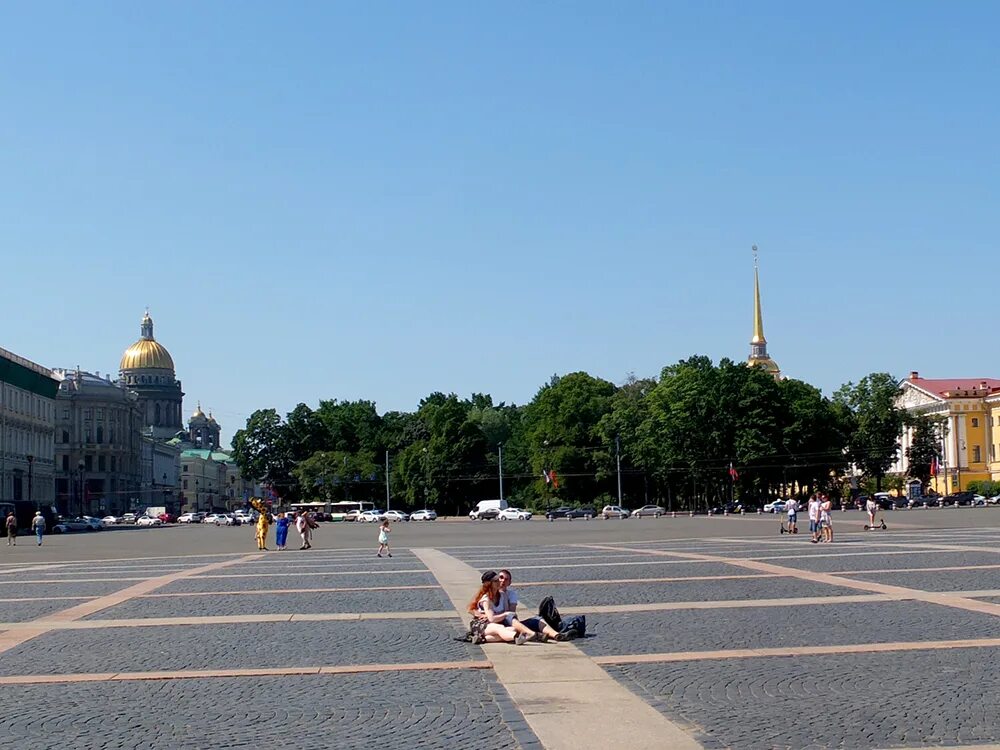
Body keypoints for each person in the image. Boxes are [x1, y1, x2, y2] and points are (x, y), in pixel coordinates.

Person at [497, 569, 560, 642]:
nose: (503, 581)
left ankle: (556, 635)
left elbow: (511, 612)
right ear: (496, 579)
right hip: (499, 626)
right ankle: (534, 635)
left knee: (537, 619)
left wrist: (504, 596)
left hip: (512, 623)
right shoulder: (491, 594)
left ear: (509, 583)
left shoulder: (511, 594)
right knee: (511, 625)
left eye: (506, 579)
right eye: (501, 577)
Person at [468, 570, 529, 644]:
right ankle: (517, 637)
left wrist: (507, 615)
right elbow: (491, 619)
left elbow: (506, 613)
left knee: (512, 629)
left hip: (496, 622)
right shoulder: (486, 599)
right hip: (482, 624)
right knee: (500, 628)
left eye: (498, 580)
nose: (499, 582)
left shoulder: (503, 595)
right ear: (489, 584)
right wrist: (505, 614)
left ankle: (482, 639)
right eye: (496, 581)